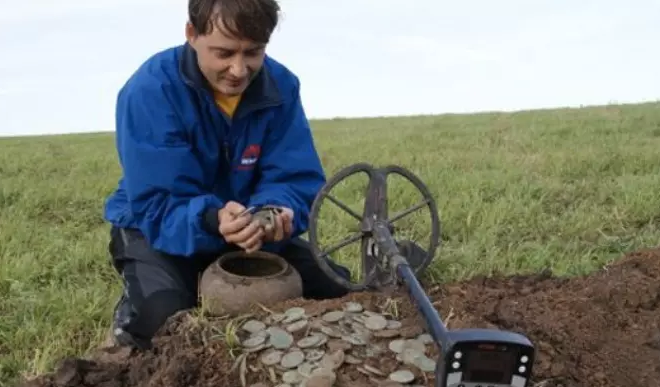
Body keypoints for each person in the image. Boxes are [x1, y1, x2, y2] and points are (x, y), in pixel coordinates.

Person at [102, 0, 428, 350]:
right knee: (163, 319)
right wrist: (212, 220)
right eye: (224, 53)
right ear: (191, 34)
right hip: (155, 229)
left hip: (247, 229)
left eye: (253, 53)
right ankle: (133, 313)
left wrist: (276, 211)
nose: (239, 70)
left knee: (337, 292)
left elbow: (295, 177)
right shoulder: (151, 91)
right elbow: (158, 201)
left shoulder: (280, 86)